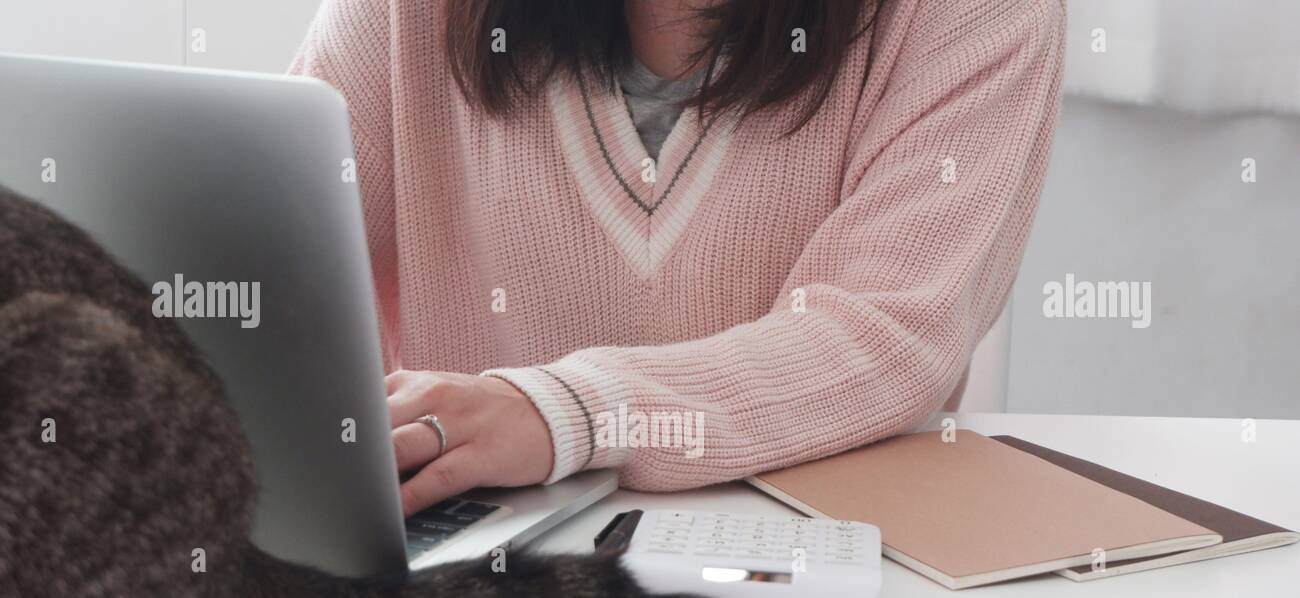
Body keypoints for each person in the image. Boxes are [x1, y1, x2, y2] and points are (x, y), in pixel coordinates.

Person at [291, 0, 1066, 515]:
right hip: (466, 556)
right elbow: (268, 252)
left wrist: (568, 412)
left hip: (803, 581)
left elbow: (888, 333)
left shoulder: (978, 15)